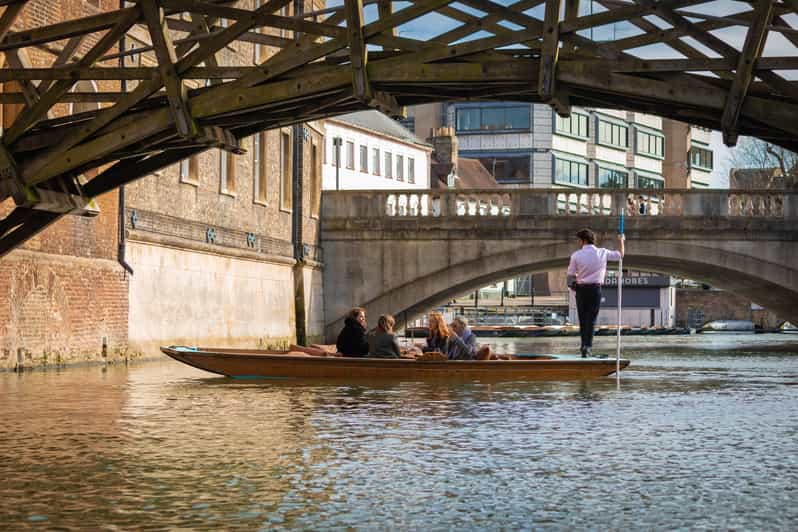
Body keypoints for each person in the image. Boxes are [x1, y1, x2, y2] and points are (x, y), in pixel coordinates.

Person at [566, 228, 625, 358]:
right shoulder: (602, 252)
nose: (578, 242)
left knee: (582, 319)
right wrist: (621, 241)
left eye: (578, 240)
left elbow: (570, 276)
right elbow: (620, 255)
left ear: (583, 240)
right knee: (591, 319)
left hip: (581, 289)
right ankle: (588, 347)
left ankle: (583, 346)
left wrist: (574, 285)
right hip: (595, 289)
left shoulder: (576, 255)